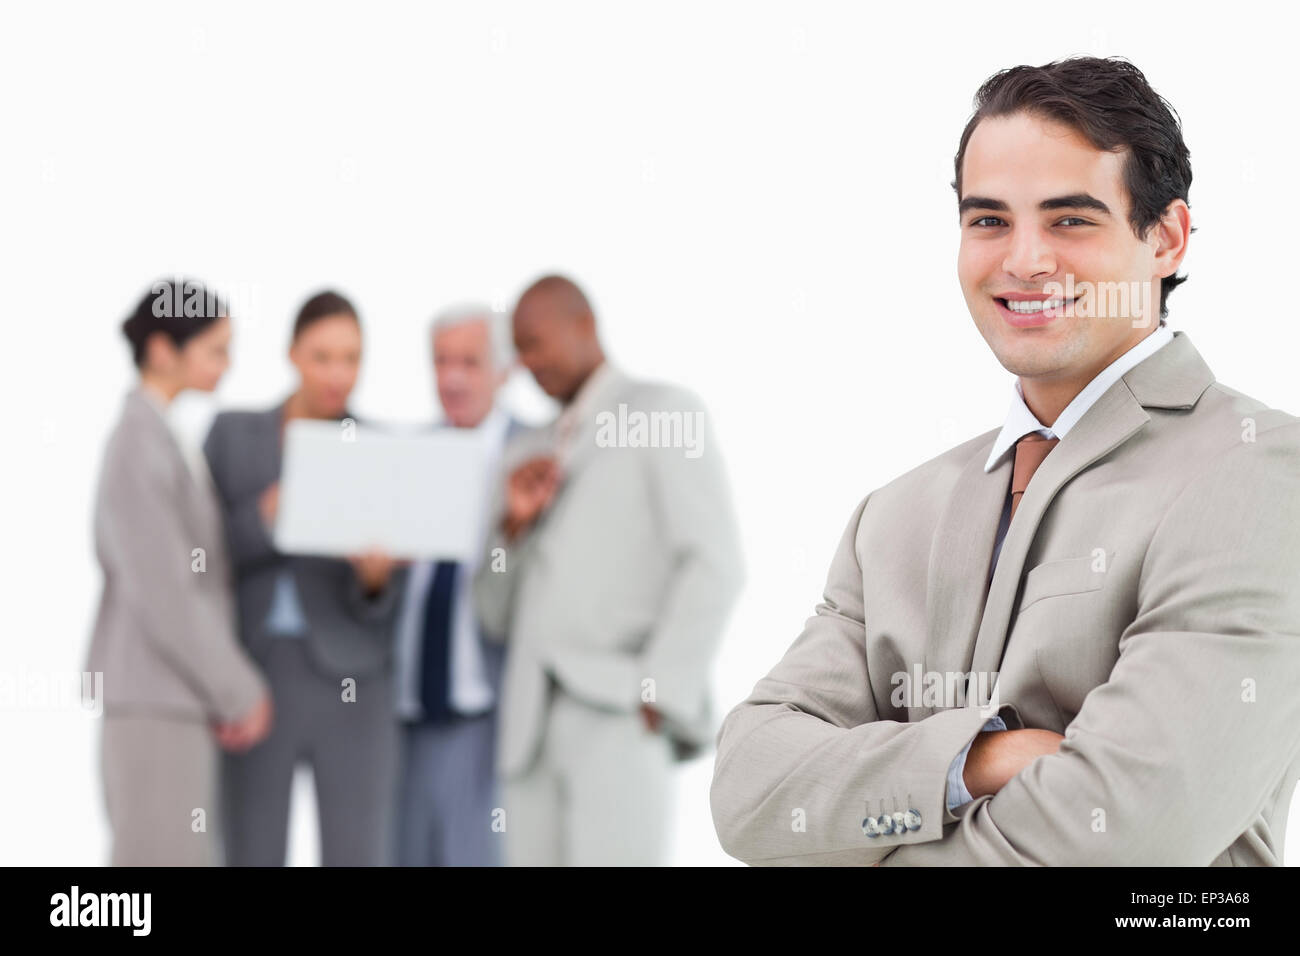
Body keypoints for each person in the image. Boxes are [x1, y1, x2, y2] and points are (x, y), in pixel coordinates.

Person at [710, 56, 1300, 866]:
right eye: (989, 220)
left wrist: (863, 814)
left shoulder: (1259, 474)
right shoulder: (895, 517)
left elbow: (1122, 837)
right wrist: (975, 760)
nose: (1023, 260)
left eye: (1070, 220)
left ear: (1166, 237)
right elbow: (750, 790)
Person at [474, 274, 744, 866]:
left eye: (535, 341)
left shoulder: (663, 411)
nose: (526, 362)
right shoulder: (525, 453)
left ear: (584, 326)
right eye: (516, 349)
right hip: (527, 730)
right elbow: (491, 615)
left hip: (620, 709)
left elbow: (714, 561)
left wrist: (660, 687)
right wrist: (511, 529)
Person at [204, 289, 401, 866]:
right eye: (322, 356)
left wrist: (374, 581)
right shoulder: (234, 435)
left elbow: (390, 598)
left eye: (351, 357)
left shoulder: (379, 448)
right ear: (292, 353)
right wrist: (265, 518)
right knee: (251, 850)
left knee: (356, 851)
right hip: (255, 676)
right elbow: (201, 557)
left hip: (353, 680)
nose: (338, 373)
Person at [88, 278, 272, 866]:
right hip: (155, 699)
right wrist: (240, 691)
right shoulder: (138, 441)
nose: (227, 364)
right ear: (165, 350)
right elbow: (165, 591)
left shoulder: (163, 435)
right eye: (215, 349)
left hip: (170, 698)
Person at [392, 304, 521, 866]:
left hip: (491, 710)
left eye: (469, 361)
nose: (451, 377)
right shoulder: (404, 453)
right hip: (404, 711)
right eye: (441, 361)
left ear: (504, 369)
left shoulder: (537, 452)